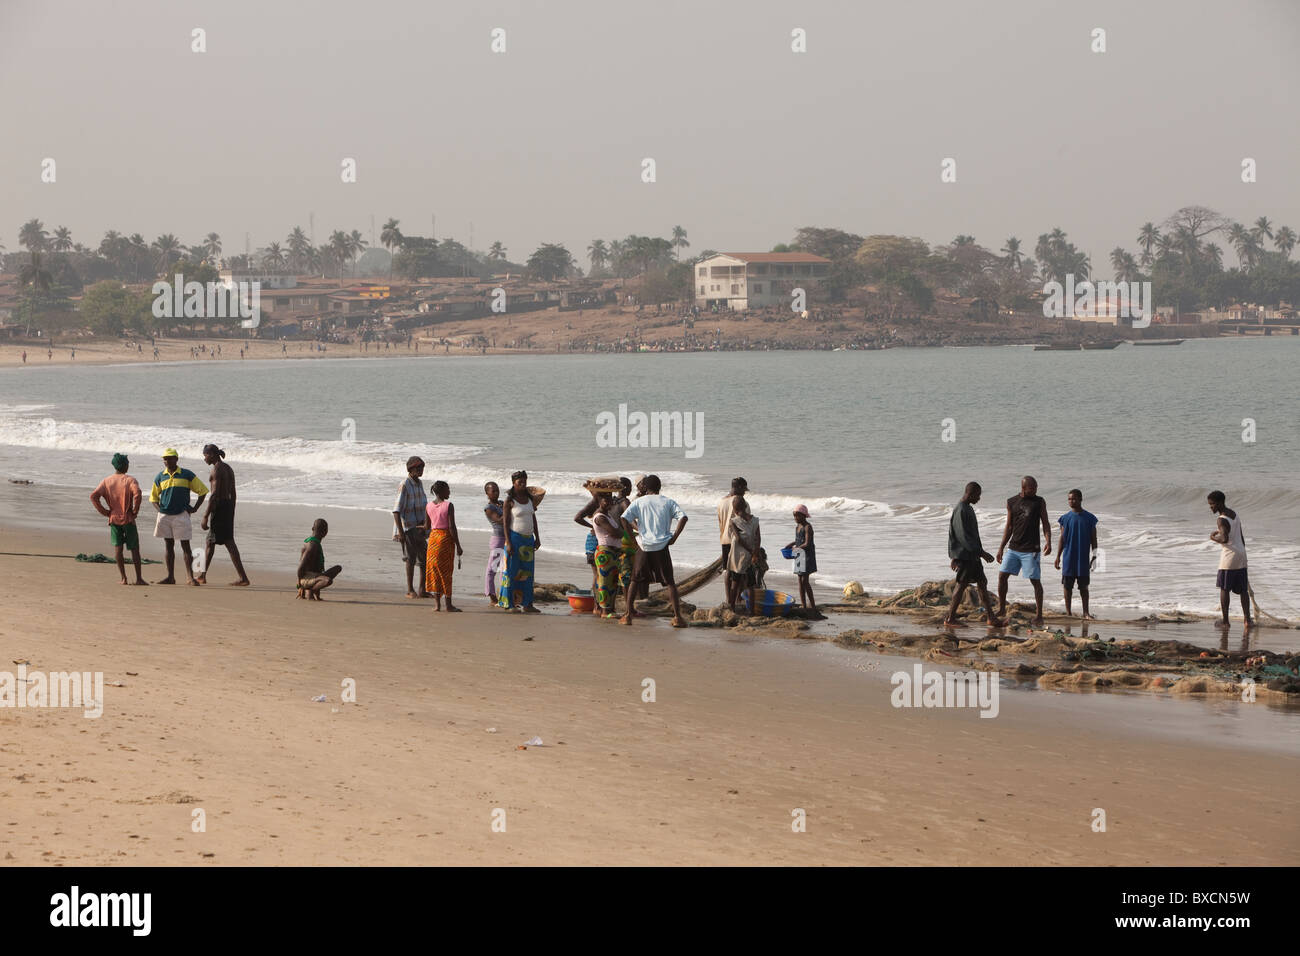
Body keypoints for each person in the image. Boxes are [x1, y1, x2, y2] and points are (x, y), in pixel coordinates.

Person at [619, 474, 688, 628]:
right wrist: (674, 537)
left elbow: (624, 519)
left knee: (634, 580)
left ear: (646, 488)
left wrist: (632, 539)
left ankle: (628, 615)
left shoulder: (640, 502)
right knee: (670, 582)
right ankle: (678, 617)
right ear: (659, 487)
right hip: (662, 546)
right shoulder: (668, 502)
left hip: (643, 546)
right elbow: (683, 518)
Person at [944, 482, 1007, 628]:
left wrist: (979, 553)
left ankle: (991, 617)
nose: (979, 498)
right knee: (961, 586)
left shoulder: (968, 509)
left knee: (982, 584)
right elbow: (962, 537)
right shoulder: (961, 510)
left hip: (973, 556)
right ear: (970, 493)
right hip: (966, 556)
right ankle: (950, 618)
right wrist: (981, 553)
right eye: (977, 495)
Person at [995, 475, 1052, 625]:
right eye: (1032, 488)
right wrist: (1001, 547)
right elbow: (1009, 526)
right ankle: (1001, 608)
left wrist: (1048, 541)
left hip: (1031, 549)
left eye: (1036, 487)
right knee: (1002, 576)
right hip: (1014, 547)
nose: (1035, 490)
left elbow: (1045, 523)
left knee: (1035, 581)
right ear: (1023, 488)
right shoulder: (1012, 502)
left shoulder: (1039, 502)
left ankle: (1039, 615)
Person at [149, 448, 208, 585]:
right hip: (165, 515)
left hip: (181, 515)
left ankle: (190, 577)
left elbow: (203, 491)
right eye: (165, 459)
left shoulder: (186, 474)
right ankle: (170, 577)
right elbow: (153, 498)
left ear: (176, 459)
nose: (167, 461)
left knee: (185, 545)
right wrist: (160, 511)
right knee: (168, 545)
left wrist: (194, 508)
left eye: (170, 458)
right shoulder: (160, 476)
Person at [89, 453, 147, 586]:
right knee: (134, 549)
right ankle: (139, 578)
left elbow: (94, 496)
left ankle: (124, 578)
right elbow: (137, 494)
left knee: (118, 549)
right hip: (128, 519)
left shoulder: (107, 481)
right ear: (125, 465)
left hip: (114, 519)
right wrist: (135, 510)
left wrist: (105, 512)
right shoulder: (130, 480)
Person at [197, 444, 249, 586]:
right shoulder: (228, 468)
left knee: (225, 542)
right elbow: (234, 493)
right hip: (228, 506)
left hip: (219, 507)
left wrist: (205, 516)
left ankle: (243, 578)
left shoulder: (216, 470)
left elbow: (213, 495)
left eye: (205, 455)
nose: (204, 458)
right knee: (214, 542)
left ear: (212, 454)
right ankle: (203, 575)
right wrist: (231, 510)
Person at [1208, 490, 1252, 628]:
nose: (1211, 507)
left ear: (1220, 503)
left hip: (1229, 557)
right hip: (1241, 554)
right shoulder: (1234, 514)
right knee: (1243, 590)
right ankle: (1247, 620)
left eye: (1212, 504)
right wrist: (1243, 554)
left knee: (1224, 589)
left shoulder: (1221, 519)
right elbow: (1241, 536)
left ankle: (1225, 621)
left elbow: (1225, 538)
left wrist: (1213, 538)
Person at [499, 470, 542, 612]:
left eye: (524, 481)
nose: (523, 484)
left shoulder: (530, 499)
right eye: (520, 482)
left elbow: (533, 518)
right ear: (513, 483)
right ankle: (509, 604)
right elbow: (505, 523)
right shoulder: (509, 501)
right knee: (511, 572)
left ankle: (527, 604)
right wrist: (508, 542)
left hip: (528, 540)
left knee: (527, 574)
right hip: (514, 539)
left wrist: (537, 537)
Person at [1054, 488, 1098, 618]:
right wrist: (1057, 557)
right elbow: (1062, 538)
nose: (1071, 501)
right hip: (1068, 557)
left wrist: (1095, 556)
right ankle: (1068, 613)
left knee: (1083, 587)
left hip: (1083, 558)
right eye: (1069, 499)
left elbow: (1094, 539)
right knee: (1067, 587)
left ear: (1080, 499)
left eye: (1073, 498)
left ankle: (1086, 612)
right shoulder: (1065, 518)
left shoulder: (1090, 518)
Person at [423, 480, 463, 611]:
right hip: (445, 539)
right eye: (448, 489)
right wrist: (458, 545)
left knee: (434, 572)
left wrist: (416, 527)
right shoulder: (448, 505)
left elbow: (427, 526)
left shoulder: (428, 505)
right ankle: (449, 605)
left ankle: (437, 605)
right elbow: (452, 527)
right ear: (441, 492)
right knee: (446, 572)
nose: (449, 492)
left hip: (433, 540)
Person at [391, 456, 428, 598]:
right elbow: (396, 510)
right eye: (418, 468)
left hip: (420, 528)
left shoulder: (419, 483)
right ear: (411, 469)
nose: (421, 470)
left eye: (422, 468)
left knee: (424, 559)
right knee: (410, 559)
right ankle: (410, 589)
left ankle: (422, 589)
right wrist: (401, 533)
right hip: (408, 528)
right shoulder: (405, 484)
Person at [717, 477, 748, 608]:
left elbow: (720, 523)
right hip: (738, 541)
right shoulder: (742, 502)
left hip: (724, 540)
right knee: (740, 571)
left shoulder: (721, 502)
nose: (745, 493)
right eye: (744, 489)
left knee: (727, 570)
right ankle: (738, 599)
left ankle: (729, 599)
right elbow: (746, 523)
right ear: (739, 487)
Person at [591, 493, 623, 618]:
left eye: (610, 499)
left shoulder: (607, 515)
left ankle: (609, 609)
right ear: (599, 500)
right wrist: (621, 532)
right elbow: (615, 532)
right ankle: (604, 611)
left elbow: (617, 532)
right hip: (605, 552)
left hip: (613, 552)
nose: (609, 502)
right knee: (604, 582)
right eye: (606, 500)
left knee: (613, 582)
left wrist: (620, 532)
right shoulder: (600, 517)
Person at [727, 498, 761, 614]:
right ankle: (751, 611)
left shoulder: (733, 521)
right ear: (745, 506)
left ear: (735, 509)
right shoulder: (755, 520)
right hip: (750, 557)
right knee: (751, 585)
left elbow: (738, 539)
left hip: (739, 557)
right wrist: (755, 552)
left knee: (735, 583)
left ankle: (731, 609)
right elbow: (758, 539)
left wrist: (750, 551)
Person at [297, 518, 342, 599]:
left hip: (314, 575)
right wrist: (299, 585)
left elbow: (315, 566)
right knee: (327, 581)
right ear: (326, 533)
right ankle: (310, 590)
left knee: (338, 568)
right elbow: (301, 568)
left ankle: (312, 589)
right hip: (306, 578)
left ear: (312, 528)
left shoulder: (313, 543)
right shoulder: (312, 545)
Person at [787, 504, 817, 611]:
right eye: (794, 516)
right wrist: (790, 545)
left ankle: (812, 605)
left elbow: (807, 543)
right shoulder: (798, 527)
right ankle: (804, 604)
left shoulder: (808, 527)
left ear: (804, 516)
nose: (795, 518)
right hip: (799, 555)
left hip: (807, 555)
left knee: (805, 581)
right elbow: (798, 540)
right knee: (800, 580)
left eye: (797, 516)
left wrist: (796, 548)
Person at [483, 481, 506, 603]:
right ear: (487, 493)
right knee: (492, 568)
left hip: (507, 539)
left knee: (504, 569)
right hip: (498, 539)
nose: (496, 493)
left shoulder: (502, 503)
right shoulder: (489, 508)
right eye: (493, 491)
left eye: (497, 490)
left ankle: (503, 593)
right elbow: (500, 520)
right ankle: (491, 594)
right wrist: (508, 510)